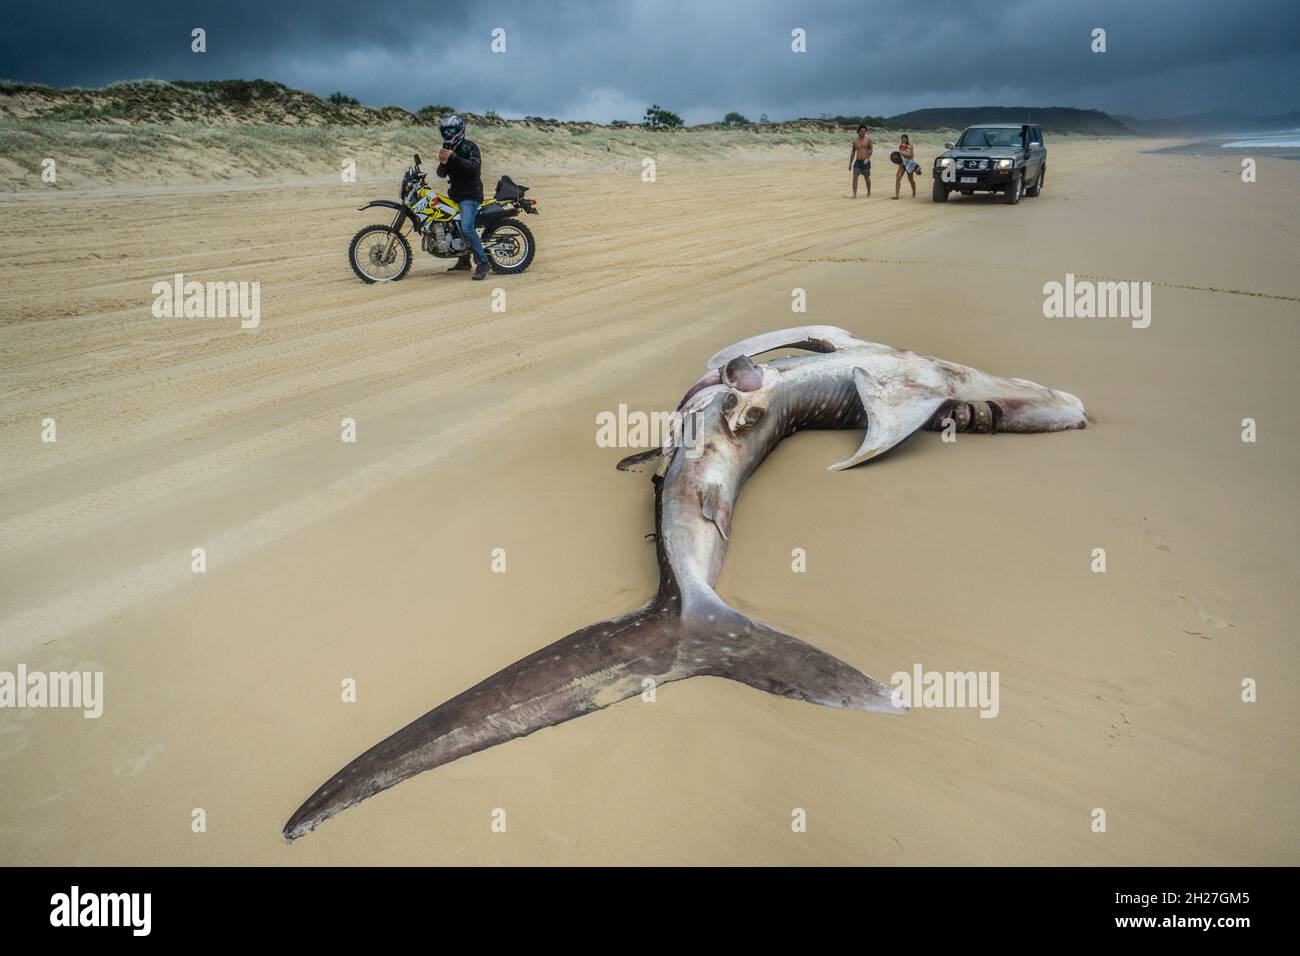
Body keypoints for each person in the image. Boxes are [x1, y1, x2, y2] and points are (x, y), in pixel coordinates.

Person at [436, 114, 489, 280]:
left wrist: (454, 157)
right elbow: (441, 174)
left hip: (471, 195)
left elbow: (475, 168)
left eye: (451, 130)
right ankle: (464, 261)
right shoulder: (448, 149)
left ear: (459, 130)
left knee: (466, 227)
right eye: (445, 130)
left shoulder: (469, 147)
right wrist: (443, 161)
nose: (448, 133)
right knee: (452, 225)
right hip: (456, 195)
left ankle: (482, 262)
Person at [848, 125, 873, 197]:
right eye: (862, 131)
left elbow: (871, 150)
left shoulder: (868, 140)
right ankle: (854, 194)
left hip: (865, 161)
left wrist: (867, 158)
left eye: (864, 131)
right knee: (855, 178)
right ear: (858, 132)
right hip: (858, 161)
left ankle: (868, 192)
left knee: (867, 178)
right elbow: (853, 152)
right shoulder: (855, 141)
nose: (863, 133)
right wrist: (850, 163)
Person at [893, 133, 918, 199]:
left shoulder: (910, 146)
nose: (903, 141)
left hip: (909, 164)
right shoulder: (900, 146)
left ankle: (914, 193)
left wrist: (903, 153)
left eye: (904, 139)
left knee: (911, 180)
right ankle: (897, 195)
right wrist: (897, 161)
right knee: (898, 178)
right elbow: (899, 156)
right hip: (902, 165)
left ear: (907, 140)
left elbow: (911, 156)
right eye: (902, 140)